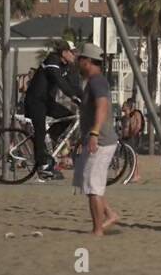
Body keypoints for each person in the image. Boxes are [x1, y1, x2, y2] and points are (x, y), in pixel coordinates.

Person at [73, 44, 120, 236]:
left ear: (88, 61)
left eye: (80, 59)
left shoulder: (96, 82)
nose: (78, 63)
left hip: (101, 140)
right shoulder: (93, 82)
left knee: (93, 187)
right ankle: (110, 214)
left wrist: (94, 133)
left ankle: (98, 229)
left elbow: (102, 107)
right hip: (95, 138)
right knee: (91, 183)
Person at [24, 40, 81, 177]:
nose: (74, 55)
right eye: (72, 52)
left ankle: (48, 143)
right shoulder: (52, 60)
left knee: (67, 117)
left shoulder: (66, 66)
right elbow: (59, 81)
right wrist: (73, 97)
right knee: (40, 130)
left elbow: (74, 86)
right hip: (35, 101)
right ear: (64, 52)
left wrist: (86, 99)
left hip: (47, 102)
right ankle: (42, 164)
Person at [120, 99, 144, 183]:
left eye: (125, 108)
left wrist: (132, 134)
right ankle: (134, 174)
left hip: (132, 137)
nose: (124, 110)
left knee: (133, 156)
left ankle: (135, 175)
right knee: (131, 157)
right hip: (127, 138)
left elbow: (136, 126)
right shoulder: (125, 117)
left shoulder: (134, 115)